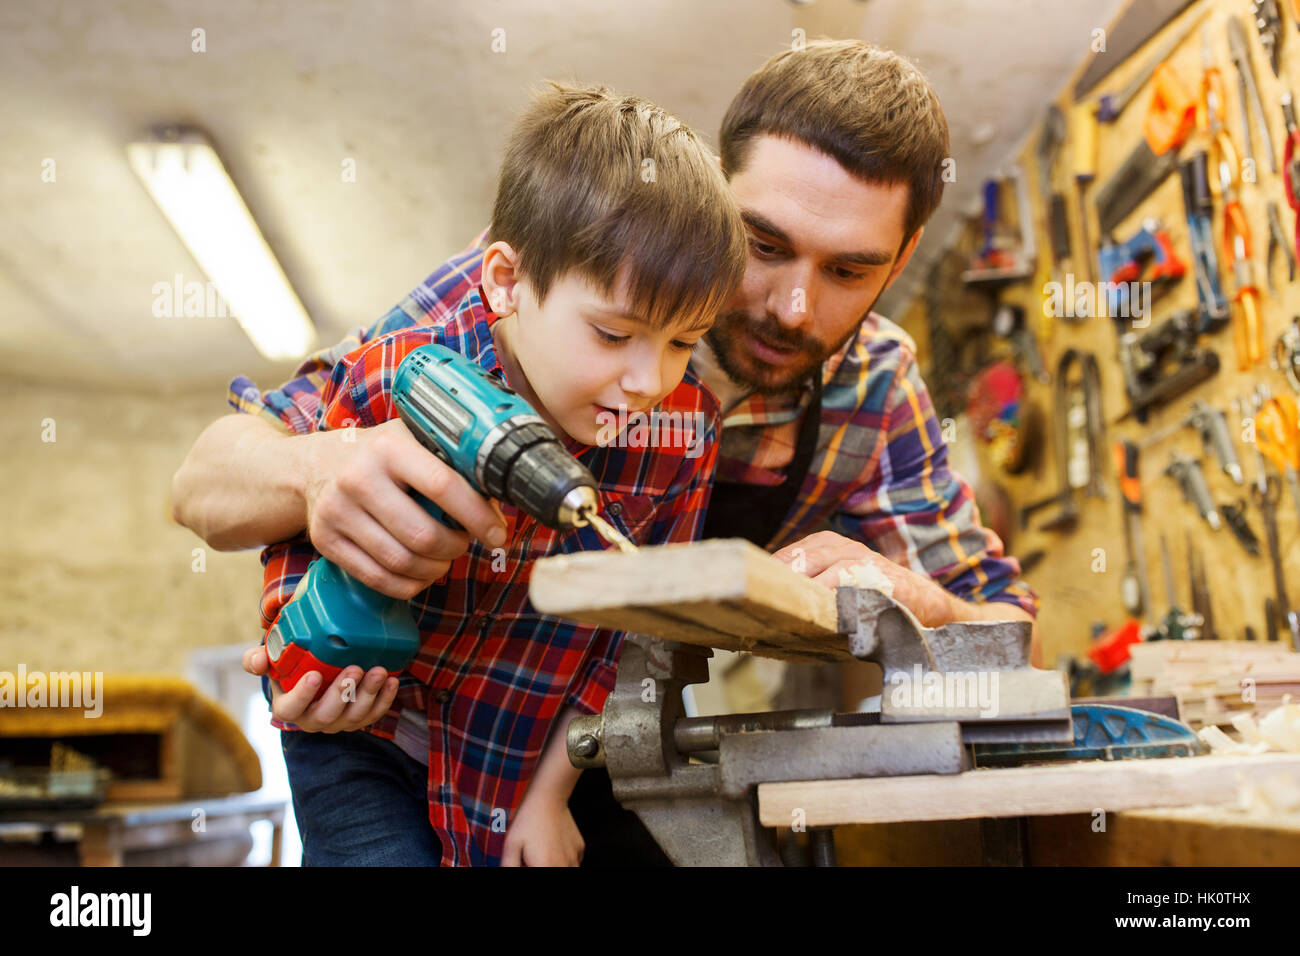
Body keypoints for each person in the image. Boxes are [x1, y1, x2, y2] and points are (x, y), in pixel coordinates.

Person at [172, 40, 1042, 864]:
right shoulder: (522, 292)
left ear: (903, 259)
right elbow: (210, 481)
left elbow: (1011, 640)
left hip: (575, 727)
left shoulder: (876, 390)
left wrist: (913, 597)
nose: (791, 307)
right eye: (762, 246)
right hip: (397, 717)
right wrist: (315, 473)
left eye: (850, 271)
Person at [231, 80, 747, 866]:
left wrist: (550, 794)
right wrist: (304, 660)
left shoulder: (683, 434)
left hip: (515, 738)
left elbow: (630, 634)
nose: (648, 379)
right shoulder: (406, 371)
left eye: (683, 341)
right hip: (361, 732)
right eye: (614, 333)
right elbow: (301, 534)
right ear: (506, 280)